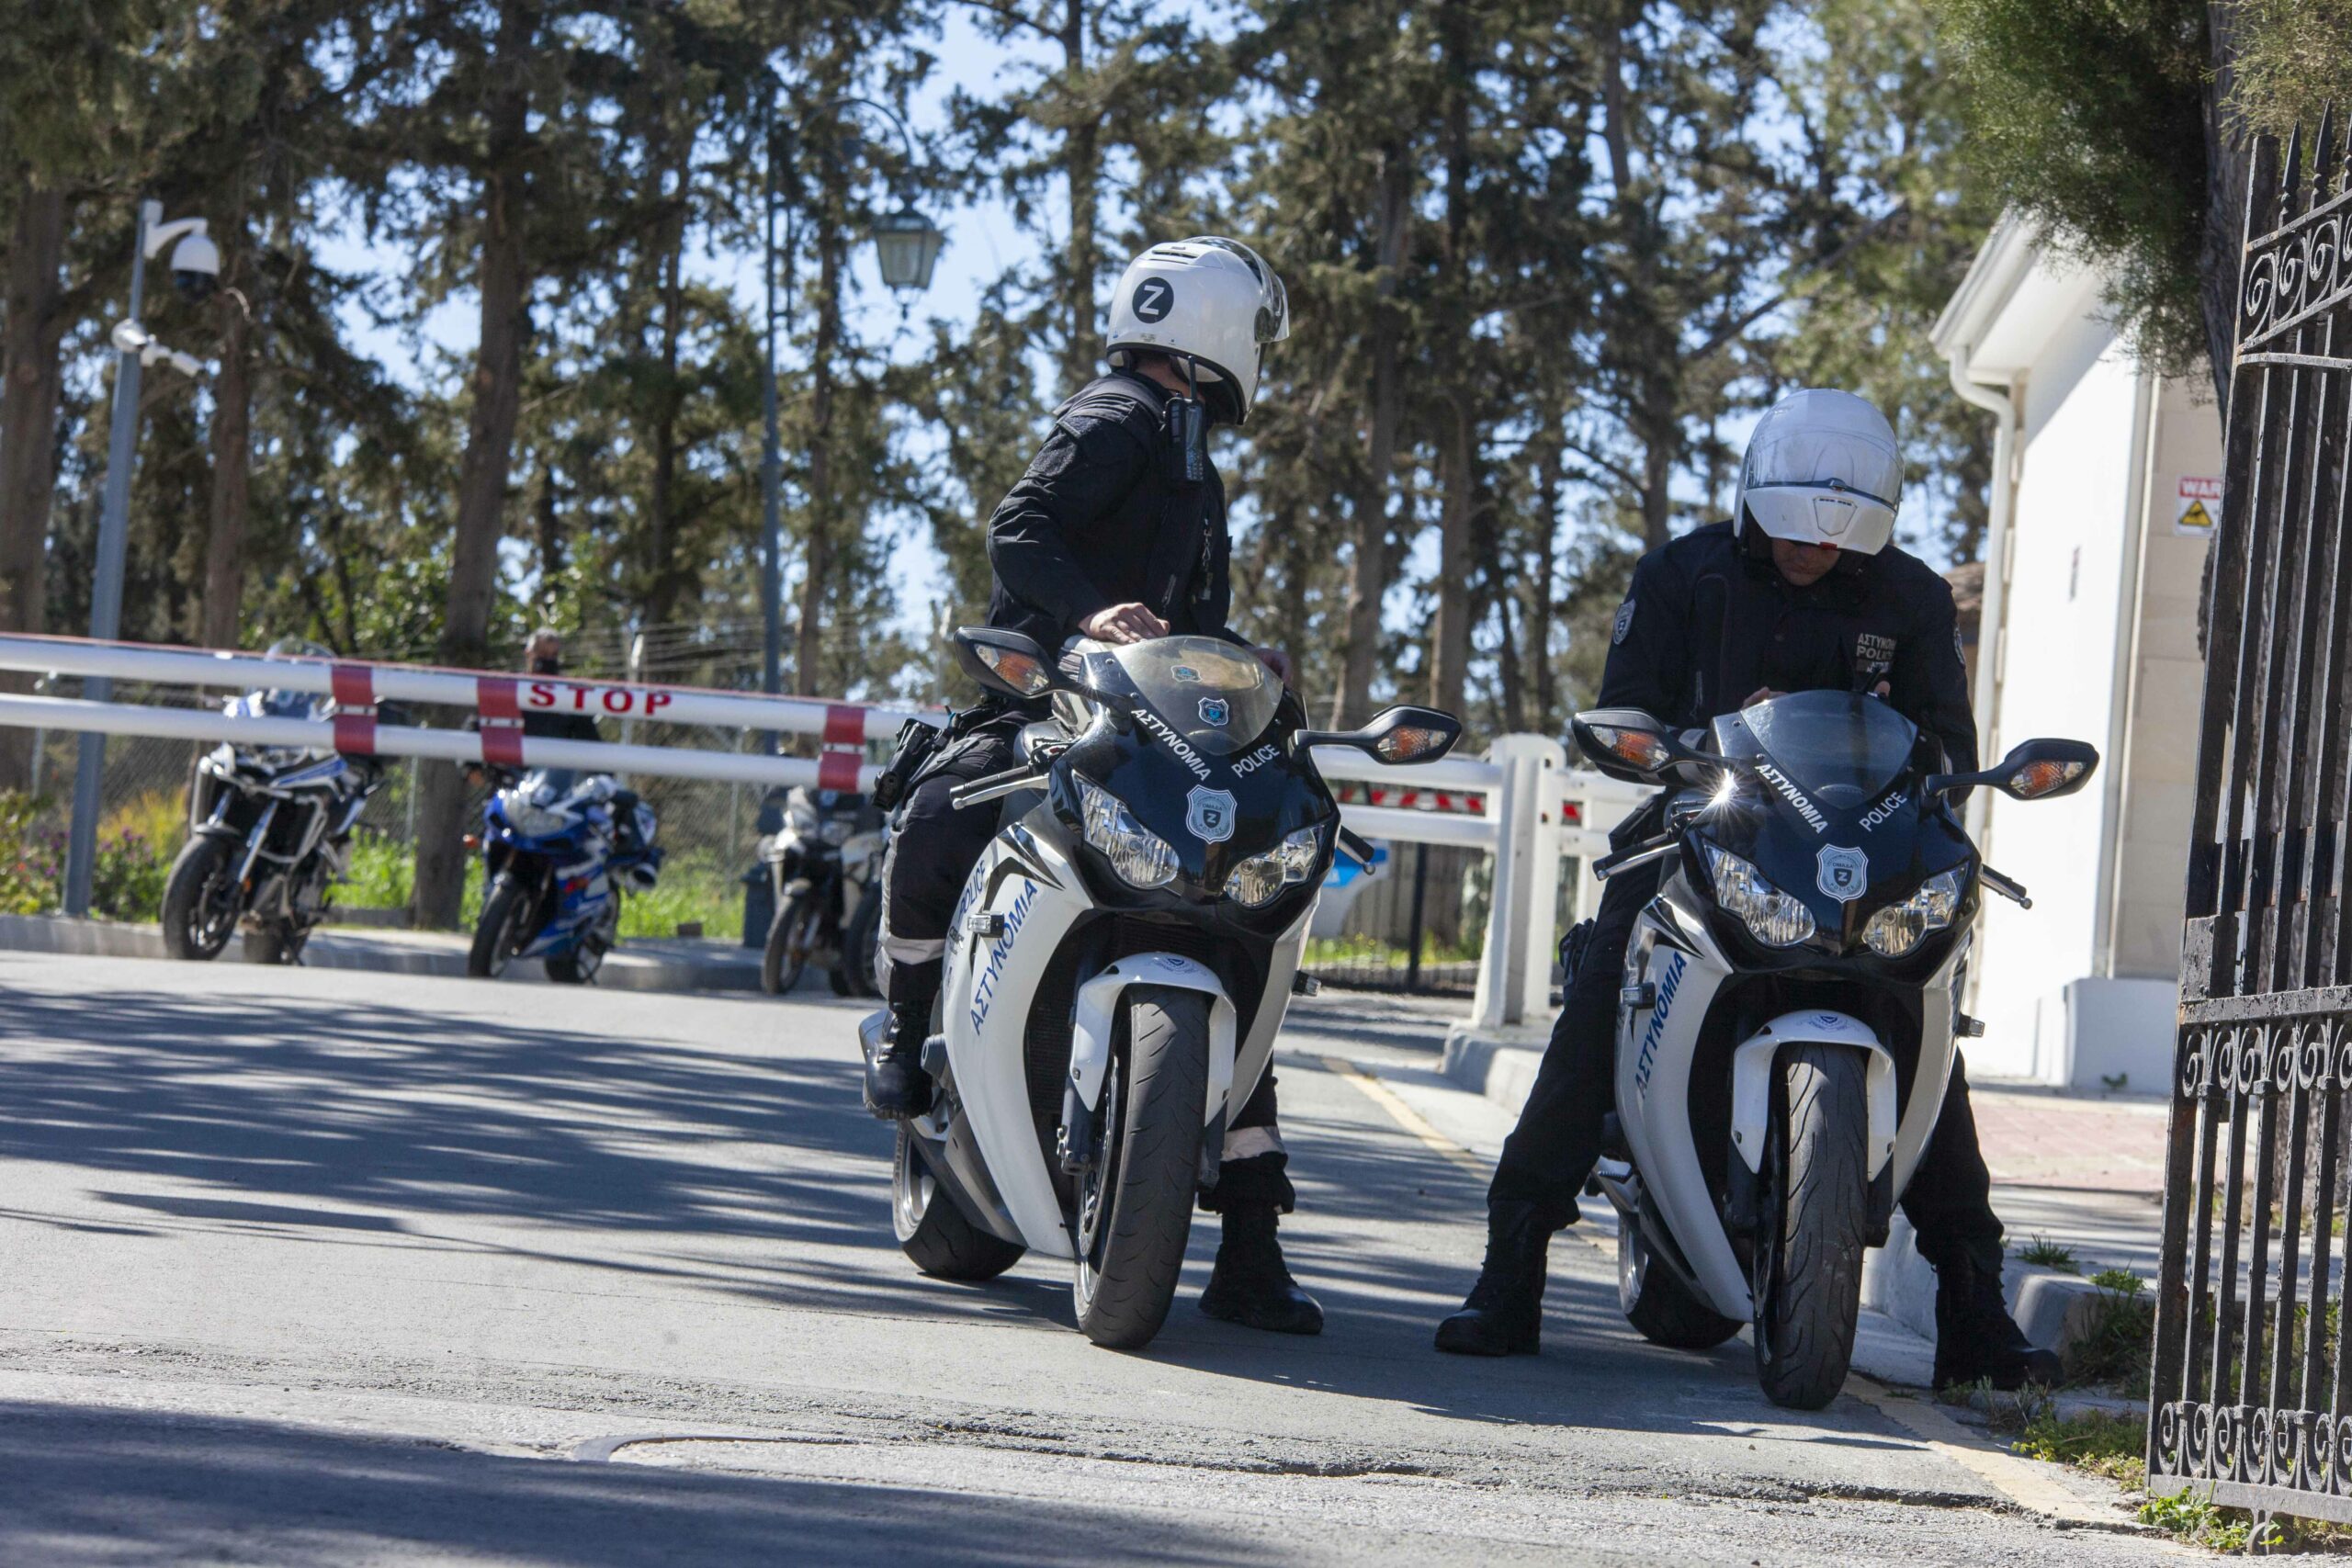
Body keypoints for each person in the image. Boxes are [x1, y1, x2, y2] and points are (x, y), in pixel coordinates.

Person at [1433, 389, 2064, 1392]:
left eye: (1834, 542)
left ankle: (1973, 1312)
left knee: (1927, 1027)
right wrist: (1699, 731)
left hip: (1857, 858)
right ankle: (1509, 1277)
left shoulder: (1908, 598)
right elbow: (1623, 711)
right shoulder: (1683, 574)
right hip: (1704, 833)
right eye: (1789, 535)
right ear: (1750, 500)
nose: (1809, 554)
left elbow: (1946, 743)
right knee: (1600, 1005)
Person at [867, 236, 1321, 1336]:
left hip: (1151, 719)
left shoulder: (1184, 448)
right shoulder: (1116, 417)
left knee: (1233, 915)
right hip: (1056, 701)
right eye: (1256, 332)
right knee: (940, 805)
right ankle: (906, 1026)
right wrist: (1086, 614)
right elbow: (1018, 531)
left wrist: (1246, 674)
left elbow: (1187, 619)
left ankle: (1251, 1240)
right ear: (1219, 330)